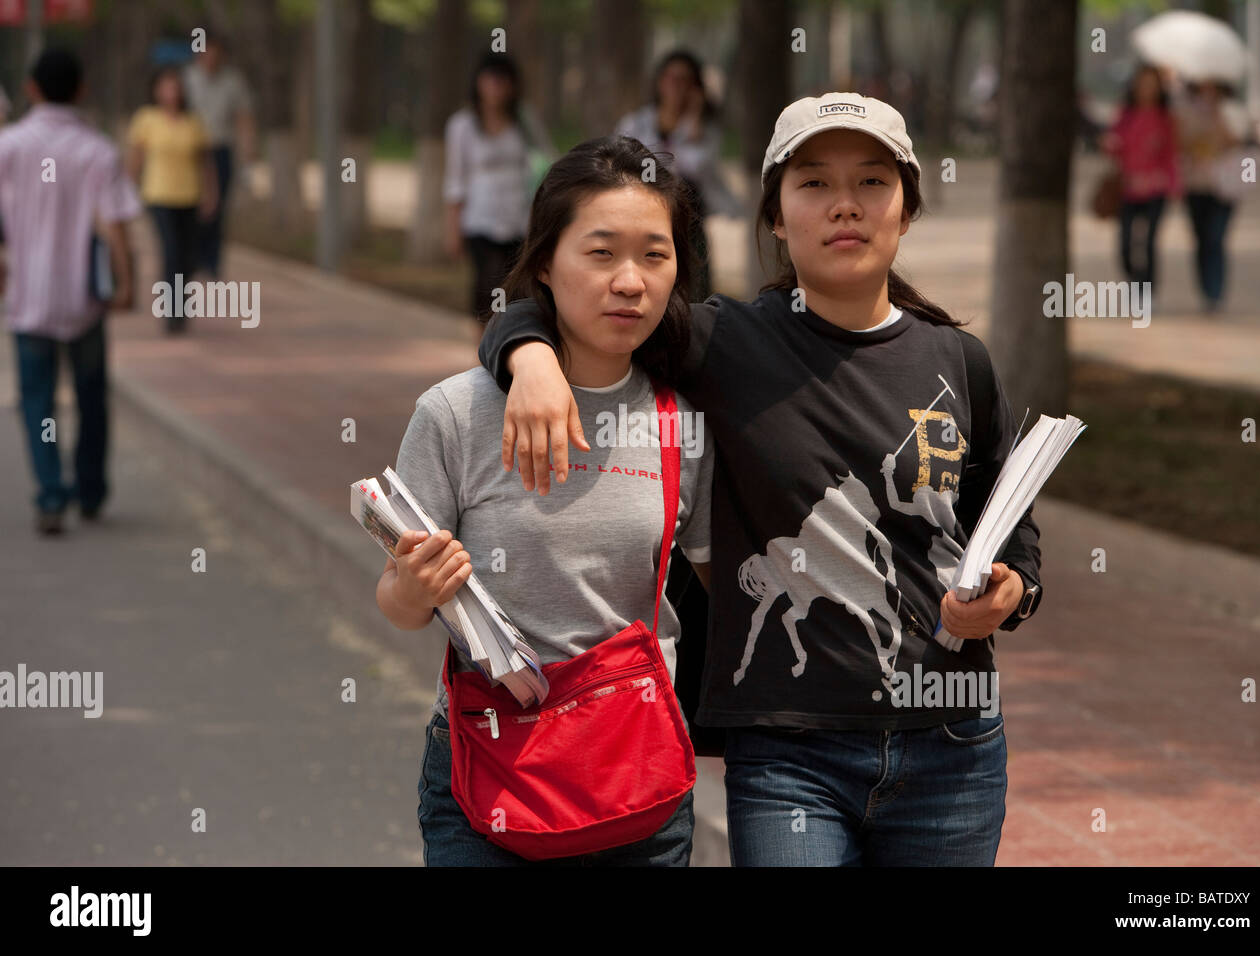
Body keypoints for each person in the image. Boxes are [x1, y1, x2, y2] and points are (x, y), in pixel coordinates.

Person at [479, 93, 1046, 867]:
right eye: (813, 184)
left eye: (872, 183)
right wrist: (530, 359)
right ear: (776, 216)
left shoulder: (958, 361)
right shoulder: (725, 342)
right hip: (788, 757)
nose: (844, 205)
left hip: (953, 744)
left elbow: (1008, 520)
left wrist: (1013, 590)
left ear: (906, 209)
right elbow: (571, 304)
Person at [379, 136, 713, 866]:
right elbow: (400, 607)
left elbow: (729, 585)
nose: (630, 281)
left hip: (636, 779)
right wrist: (413, 586)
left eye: (655, 256)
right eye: (600, 254)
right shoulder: (455, 414)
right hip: (488, 771)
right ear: (544, 267)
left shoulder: (682, 426)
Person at [0, 49, 141, 534]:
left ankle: (50, 494)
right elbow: (116, 227)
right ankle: (91, 490)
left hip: (27, 299)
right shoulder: (98, 150)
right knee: (90, 397)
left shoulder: (8, 146)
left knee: (37, 400)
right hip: (85, 300)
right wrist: (127, 284)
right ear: (81, 90)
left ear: (30, 88)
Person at [616, 49, 741, 302]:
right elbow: (624, 159)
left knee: (694, 292)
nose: (675, 86)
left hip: (689, 221)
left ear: (695, 87)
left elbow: (696, 166)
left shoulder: (705, 129)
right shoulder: (638, 122)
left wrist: (694, 116)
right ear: (659, 81)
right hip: (644, 216)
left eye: (684, 79)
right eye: (670, 77)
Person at [443, 53, 555, 324]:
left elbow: (548, 160)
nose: (496, 88)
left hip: (519, 219)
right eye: (490, 80)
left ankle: (510, 342)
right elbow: (455, 181)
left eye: (502, 81)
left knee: (517, 286)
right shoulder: (463, 126)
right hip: (480, 219)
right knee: (486, 285)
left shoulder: (524, 121)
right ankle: (483, 347)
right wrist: (453, 229)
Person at [126, 65, 218, 334]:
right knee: (170, 252)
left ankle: (182, 304)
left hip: (189, 196)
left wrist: (211, 194)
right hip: (159, 196)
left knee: (188, 258)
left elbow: (206, 163)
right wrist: (127, 192)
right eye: (166, 87)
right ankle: (171, 311)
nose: (171, 93)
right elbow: (135, 160)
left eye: (175, 87)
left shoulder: (193, 122)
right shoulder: (146, 119)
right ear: (156, 90)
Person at [183, 29, 256, 278]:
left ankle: (211, 262)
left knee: (217, 209)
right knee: (190, 206)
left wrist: (248, 157)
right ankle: (191, 258)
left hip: (220, 150)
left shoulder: (233, 81)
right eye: (206, 52)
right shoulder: (186, 79)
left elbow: (244, 119)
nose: (211, 57)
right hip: (190, 153)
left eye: (216, 52)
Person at [1102, 65, 1180, 295]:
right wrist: (1110, 145)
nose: (1146, 89)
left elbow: (1171, 154)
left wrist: (1174, 184)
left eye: (1151, 84)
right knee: (1125, 244)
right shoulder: (1126, 114)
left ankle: (1147, 292)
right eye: (1142, 84)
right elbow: (1114, 145)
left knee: (1149, 243)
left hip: (1156, 189)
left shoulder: (1165, 117)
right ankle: (1134, 282)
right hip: (1128, 188)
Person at [1175, 79, 1250, 312]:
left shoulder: (1233, 111)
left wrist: (1217, 116)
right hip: (1195, 183)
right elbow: (1178, 142)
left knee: (1216, 238)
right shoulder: (1185, 110)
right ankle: (1206, 288)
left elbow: (1239, 142)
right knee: (1201, 238)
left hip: (1224, 186)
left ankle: (1215, 292)